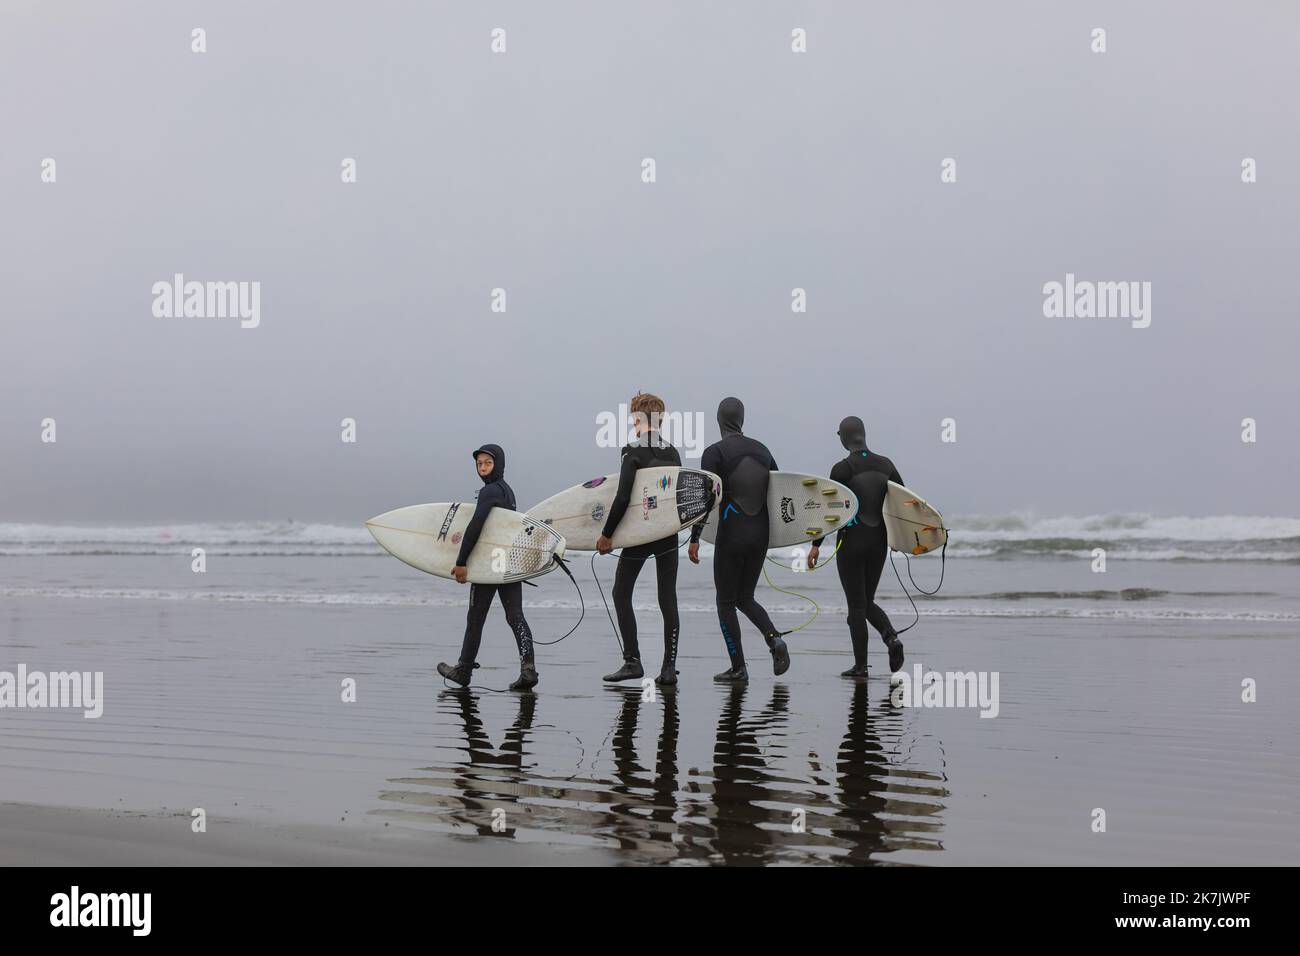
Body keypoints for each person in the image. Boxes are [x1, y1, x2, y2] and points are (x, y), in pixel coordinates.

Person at [688, 397, 790, 683]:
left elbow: (705, 498)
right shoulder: (763, 450)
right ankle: (774, 639)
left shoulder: (714, 452)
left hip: (732, 535)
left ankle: (738, 667)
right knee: (745, 597)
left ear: (719, 420)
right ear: (742, 420)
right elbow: (780, 489)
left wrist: (695, 538)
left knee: (725, 601)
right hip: (760, 533)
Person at [808, 417, 906, 677]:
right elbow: (901, 504)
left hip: (851, 540)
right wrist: (900, 538)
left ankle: (861, 667)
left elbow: (828, 510)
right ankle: (891, 638)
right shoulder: (887, 465)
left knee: (857, 606)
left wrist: (816, 545)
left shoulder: (842, 468)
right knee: (866, 601)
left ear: (844, 437)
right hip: (879, 541)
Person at [436, 444, 538, 691]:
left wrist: (461, 563)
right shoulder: (507, 491)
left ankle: (464, 670)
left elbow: (476, 526)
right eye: (479, 463)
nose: (482, 468)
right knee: (515, 616)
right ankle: (528, 670)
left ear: (498, 464)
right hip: (509, 560)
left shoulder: (490, 491)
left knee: (476, 617)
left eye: (487, 463)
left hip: (491, 564)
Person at [597, 392, 683, 686]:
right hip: (667, 533)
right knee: (667, 598)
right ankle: (669, 668)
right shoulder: (672, 452)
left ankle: (632, 661)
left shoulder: (631, 450)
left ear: (637, 418)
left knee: (621, 594)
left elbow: (623, 496)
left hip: (640, 532)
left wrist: (607, 534)